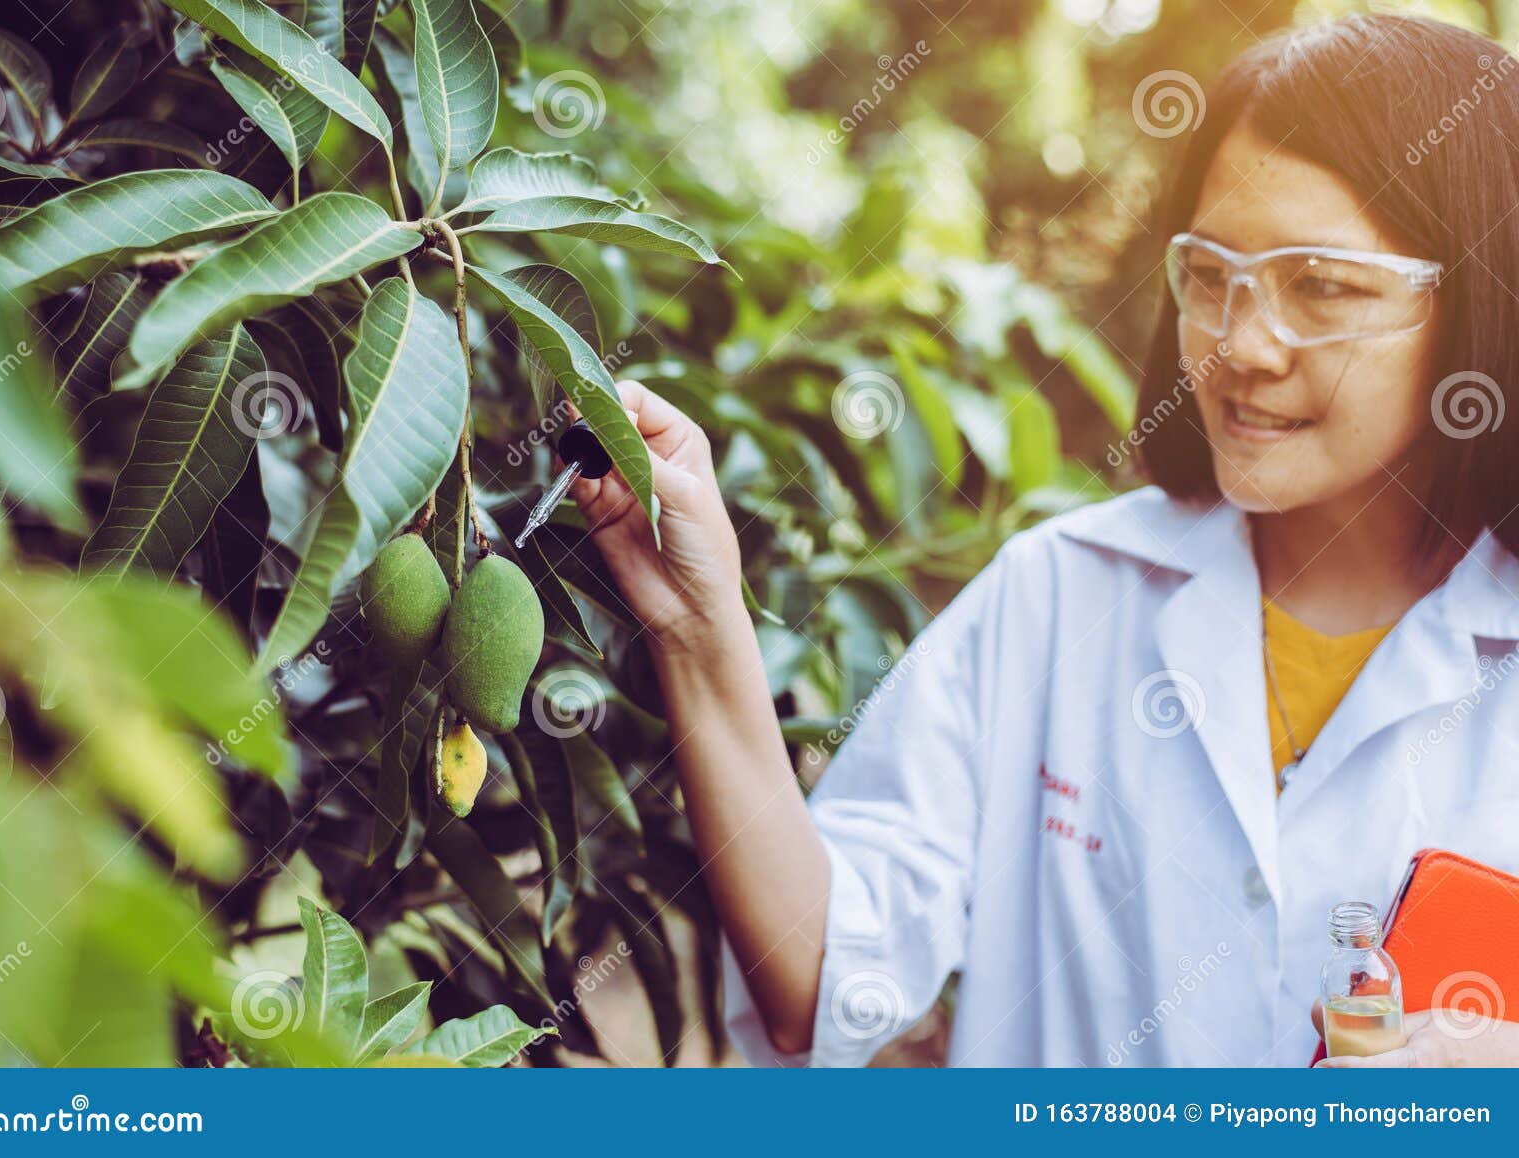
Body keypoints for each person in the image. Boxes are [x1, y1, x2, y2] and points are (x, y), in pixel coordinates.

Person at [571, 13, 1519, 1066]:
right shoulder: (1062, 597)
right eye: (1210, 276)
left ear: (1478, 302)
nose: (1243, 344)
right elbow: (825, 978)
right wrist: (698, 626)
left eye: (1323, 287)